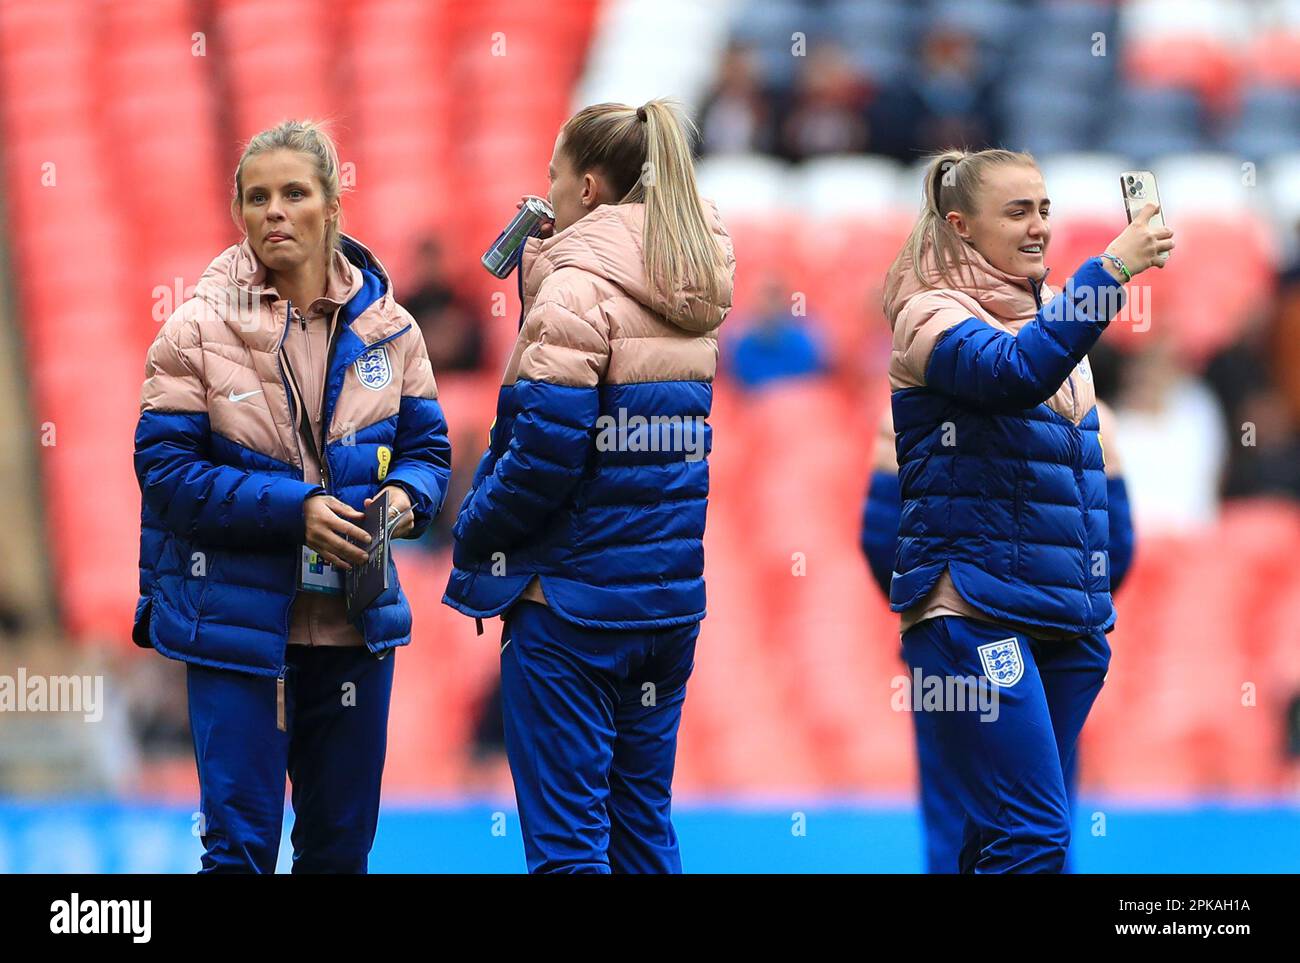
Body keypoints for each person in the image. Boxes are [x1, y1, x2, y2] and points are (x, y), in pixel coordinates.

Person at [132, 119, 452, 873]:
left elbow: (429, 452)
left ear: (332, 205)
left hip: (354, 630)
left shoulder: (393, 329)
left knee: (339, 853)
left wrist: (403, 500)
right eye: (257, 197)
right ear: (239, 213)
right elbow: (166, 475)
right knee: (238, 851)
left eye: (294, 193)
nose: (274, 210)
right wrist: (294, 510)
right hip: (235, 630)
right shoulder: (194, 329)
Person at [442, 99, 735, 873]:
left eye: (554, 175)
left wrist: (473, 527)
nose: (546, 191)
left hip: (572, 602)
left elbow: (543, 453)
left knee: (569, 848)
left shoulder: (577, 291)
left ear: (591, 188)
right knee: (643, 833)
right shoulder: (691, 287)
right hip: (666, 604)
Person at [879, 147, 1172, 873]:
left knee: (998, 835)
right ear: (962, 226)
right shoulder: (929, 315)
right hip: (978, 617)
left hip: (1062, 624)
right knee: (1035, 835)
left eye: (1045, 209)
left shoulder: (1051, 322)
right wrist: (1111, 273)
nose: (1039, 225)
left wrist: (1091, 618)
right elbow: (1012, 375)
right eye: (1018, 211)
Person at [860, 400, 1135, 873]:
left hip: (953, 642)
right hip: (1057, 645)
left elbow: (882, 538)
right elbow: (1118, 547)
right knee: (1042, 805)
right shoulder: (1094, 417)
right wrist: (1062, 606)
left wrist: (936, 602)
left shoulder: (907, 413)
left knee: (955, 805)